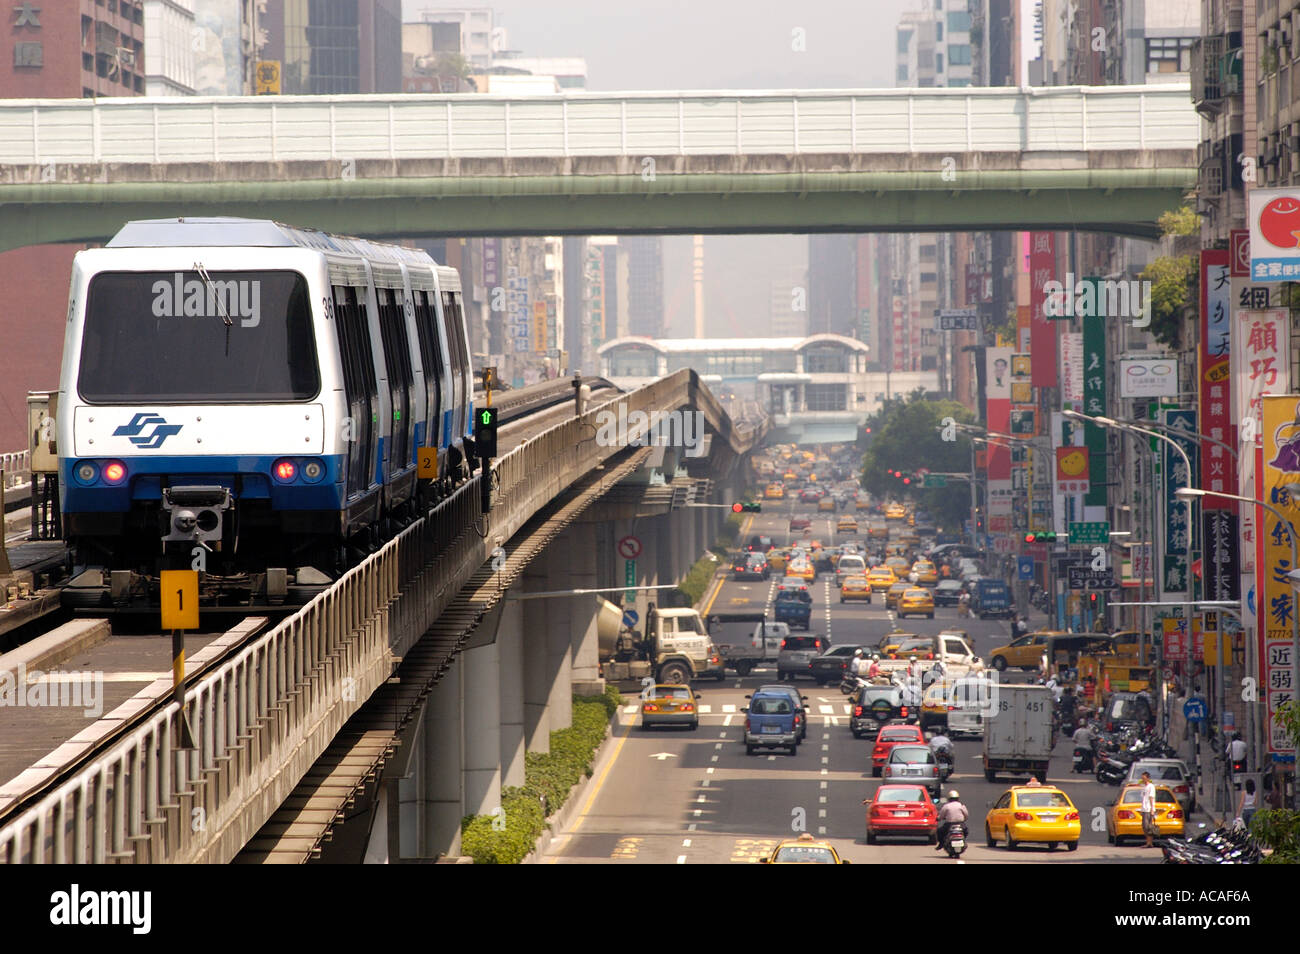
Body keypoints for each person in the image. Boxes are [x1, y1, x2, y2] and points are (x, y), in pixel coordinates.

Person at [1140, 770, 1158, 848]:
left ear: (1148, 778)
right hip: (1144, 809)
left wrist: (1152, 809)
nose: (1143, 780)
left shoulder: (1151, 786)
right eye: (1142, 778)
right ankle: (1148, 842)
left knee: (1148, 827)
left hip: (1148, 809)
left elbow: (1151, 798)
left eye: (1144, 778)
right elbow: (1143, 798)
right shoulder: (1144, 787)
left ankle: (1149, 842)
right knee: (1144, 826)